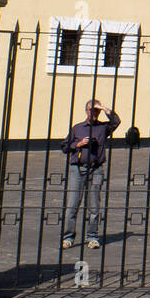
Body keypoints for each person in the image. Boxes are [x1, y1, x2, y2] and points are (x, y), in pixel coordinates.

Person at [61, 99, 121, 249]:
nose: (94, 113)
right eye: (91, 110)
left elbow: (116, 121)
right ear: (86, 111)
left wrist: (103, 107)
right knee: (72, 205)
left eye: (97, 111)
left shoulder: (103, 128)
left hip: (96, 169)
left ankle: (92, 237)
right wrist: (78, 144)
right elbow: (64, 146)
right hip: (77, 169)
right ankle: (69, 237)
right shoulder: (77, 128)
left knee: (94, 206)